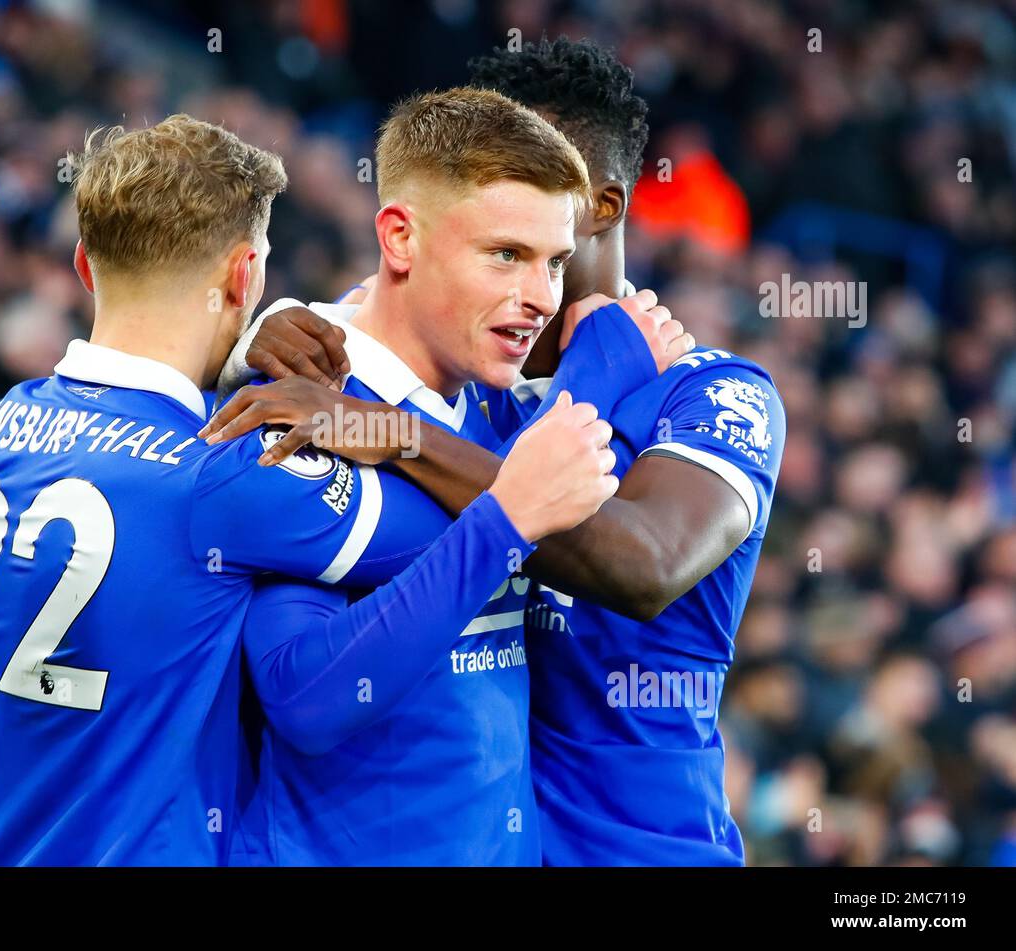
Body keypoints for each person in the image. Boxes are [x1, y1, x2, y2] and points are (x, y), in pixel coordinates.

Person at [0, 113, 612, 865]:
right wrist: (511, 510)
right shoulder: (226, 468)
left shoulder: (7, 420)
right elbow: (486, 517)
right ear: (244, 274)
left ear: (87, 266)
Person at [206, 38, 787, 865]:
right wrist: (250, 338)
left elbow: (643, 566)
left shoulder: (707, 392)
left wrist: (399, 439)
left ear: (602, 206)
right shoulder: (467, 375)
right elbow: (334, 354)